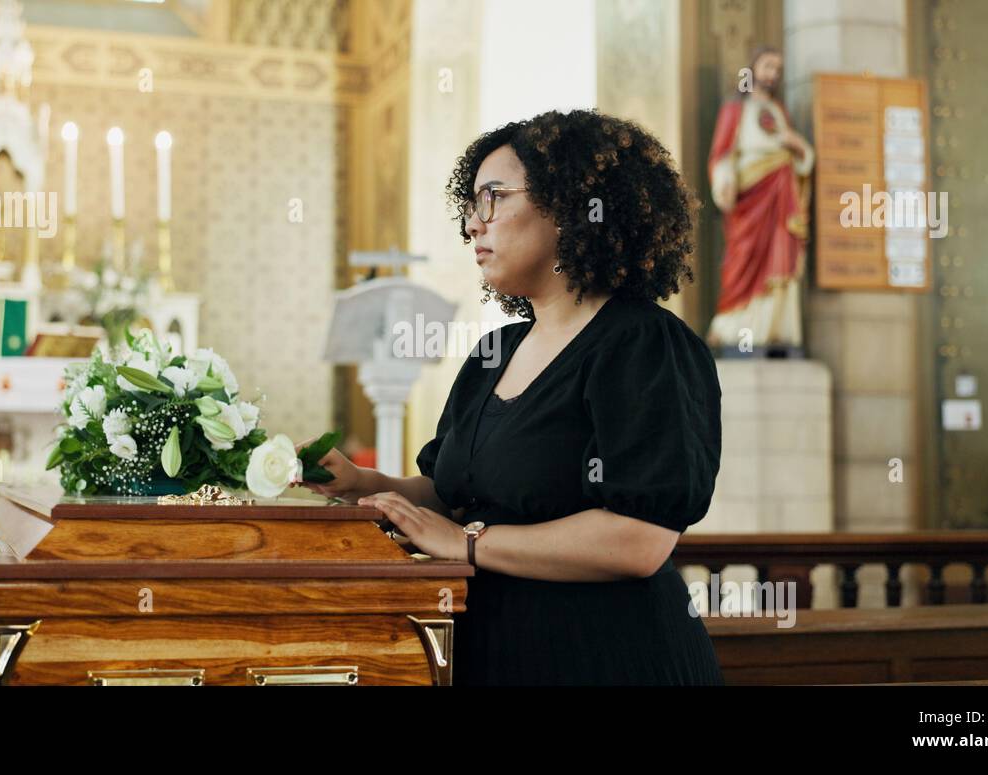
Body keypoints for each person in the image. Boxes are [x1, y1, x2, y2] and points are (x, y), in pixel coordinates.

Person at [301, 109, 724, 686]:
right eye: (472, 205)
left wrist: (468, 543)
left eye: (494, 197)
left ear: (573, 205)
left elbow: (638, 540)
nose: (476, 224)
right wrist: (366, 486)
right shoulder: (492, 353)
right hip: (490, 645)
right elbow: (455, 495)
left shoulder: (642, 344)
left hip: (606, 654)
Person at [707, 46, 813, 351]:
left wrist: (798, 147)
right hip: (749, 199)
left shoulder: (779, 111)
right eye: (768, 66)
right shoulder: (736, 109)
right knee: (744, 259)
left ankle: (775, 329)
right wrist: (725, 181)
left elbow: (802, 154)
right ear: (753, 68)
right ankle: (734, 328)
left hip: (781, 195)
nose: (772, 74)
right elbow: (721, 155)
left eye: (778, 69)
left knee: (781, 255)